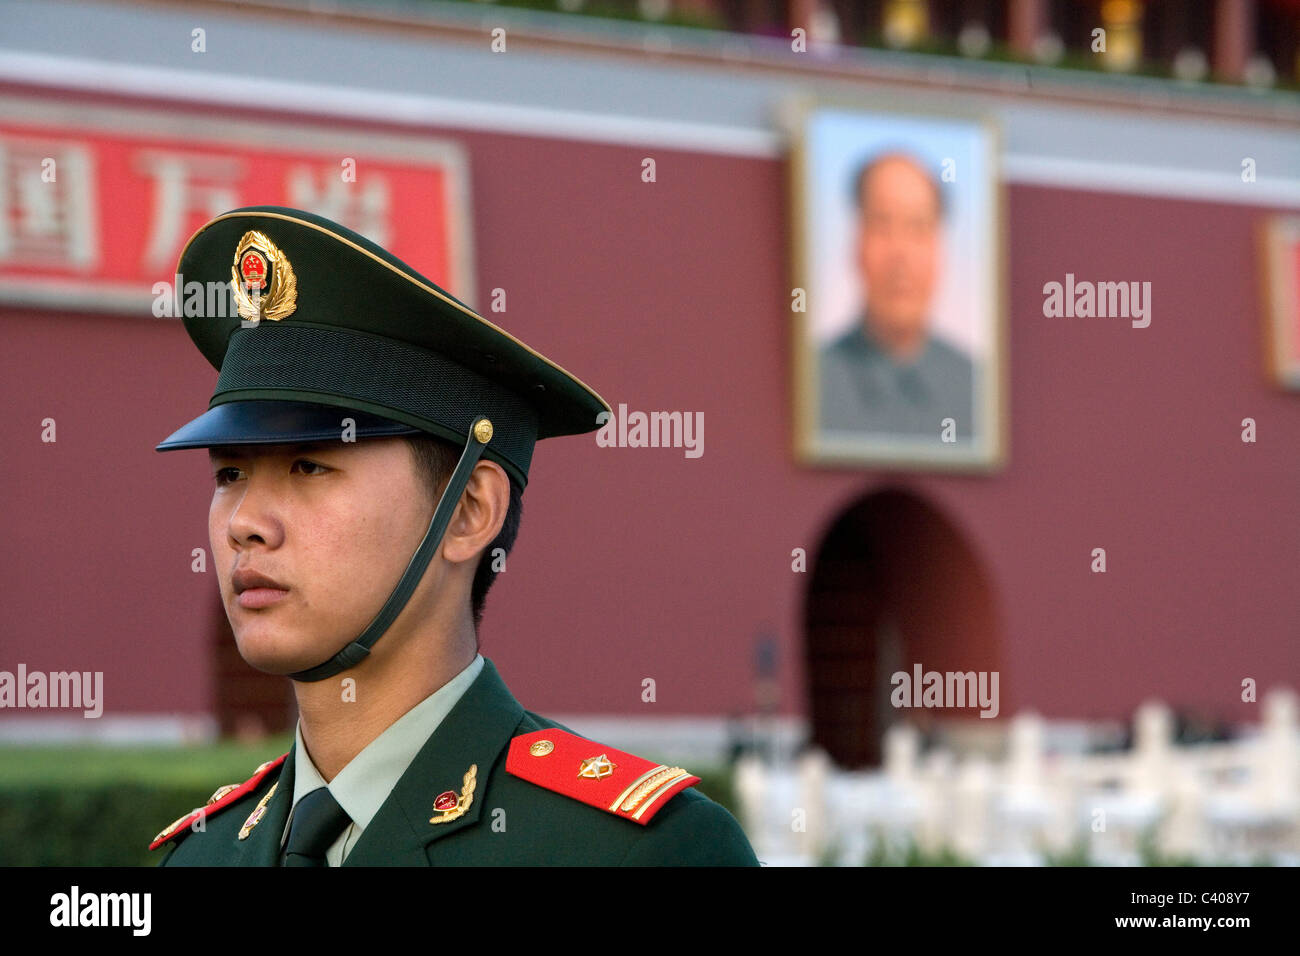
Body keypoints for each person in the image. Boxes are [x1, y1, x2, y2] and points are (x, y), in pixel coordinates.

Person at [148, 206, 758, 866]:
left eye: (309, 466)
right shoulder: (203, 856)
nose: (244, 523)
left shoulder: (639, 852)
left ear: (470, 510)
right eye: (230, 473)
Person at [818, 151, 975, 441]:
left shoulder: (975, 386)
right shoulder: (816, 380)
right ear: (856, 243)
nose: (900, 254)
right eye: (882, 224)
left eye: (918, 227)